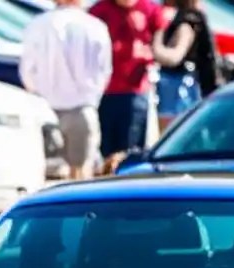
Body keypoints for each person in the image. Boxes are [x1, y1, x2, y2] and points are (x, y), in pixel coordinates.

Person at [20, 0, 112, 181]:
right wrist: (92, 97)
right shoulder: (95, 26)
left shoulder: (38, 25)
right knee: (82, 175)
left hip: (45, 109)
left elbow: (27, 70)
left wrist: (37, 95)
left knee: (46, 176)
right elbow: (104, 69)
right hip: (82, 108)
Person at [89, 0, 166, 158]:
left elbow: (160, 44)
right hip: (104, 91)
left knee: (131, 151)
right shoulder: (99, 11)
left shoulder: (150, 10)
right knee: (105, 150)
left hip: (136, 91)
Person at [154, 0, 220, 134]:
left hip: (177, 84)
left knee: (169, 133)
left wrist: (153, 46)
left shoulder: (187, 22)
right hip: (181, 84)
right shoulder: (189, 18)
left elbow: (175, 57)